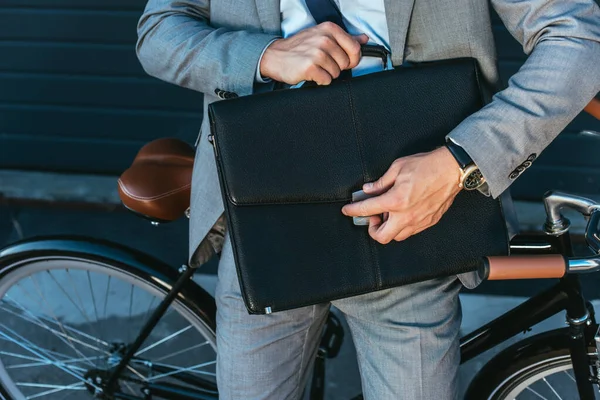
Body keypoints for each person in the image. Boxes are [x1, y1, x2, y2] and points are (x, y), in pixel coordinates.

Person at [135, 0, 600, 398]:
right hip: (260, 226)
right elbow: (160, 29)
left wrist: (462, 160)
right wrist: (263, 55)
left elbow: (579, 39)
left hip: (415, 224)